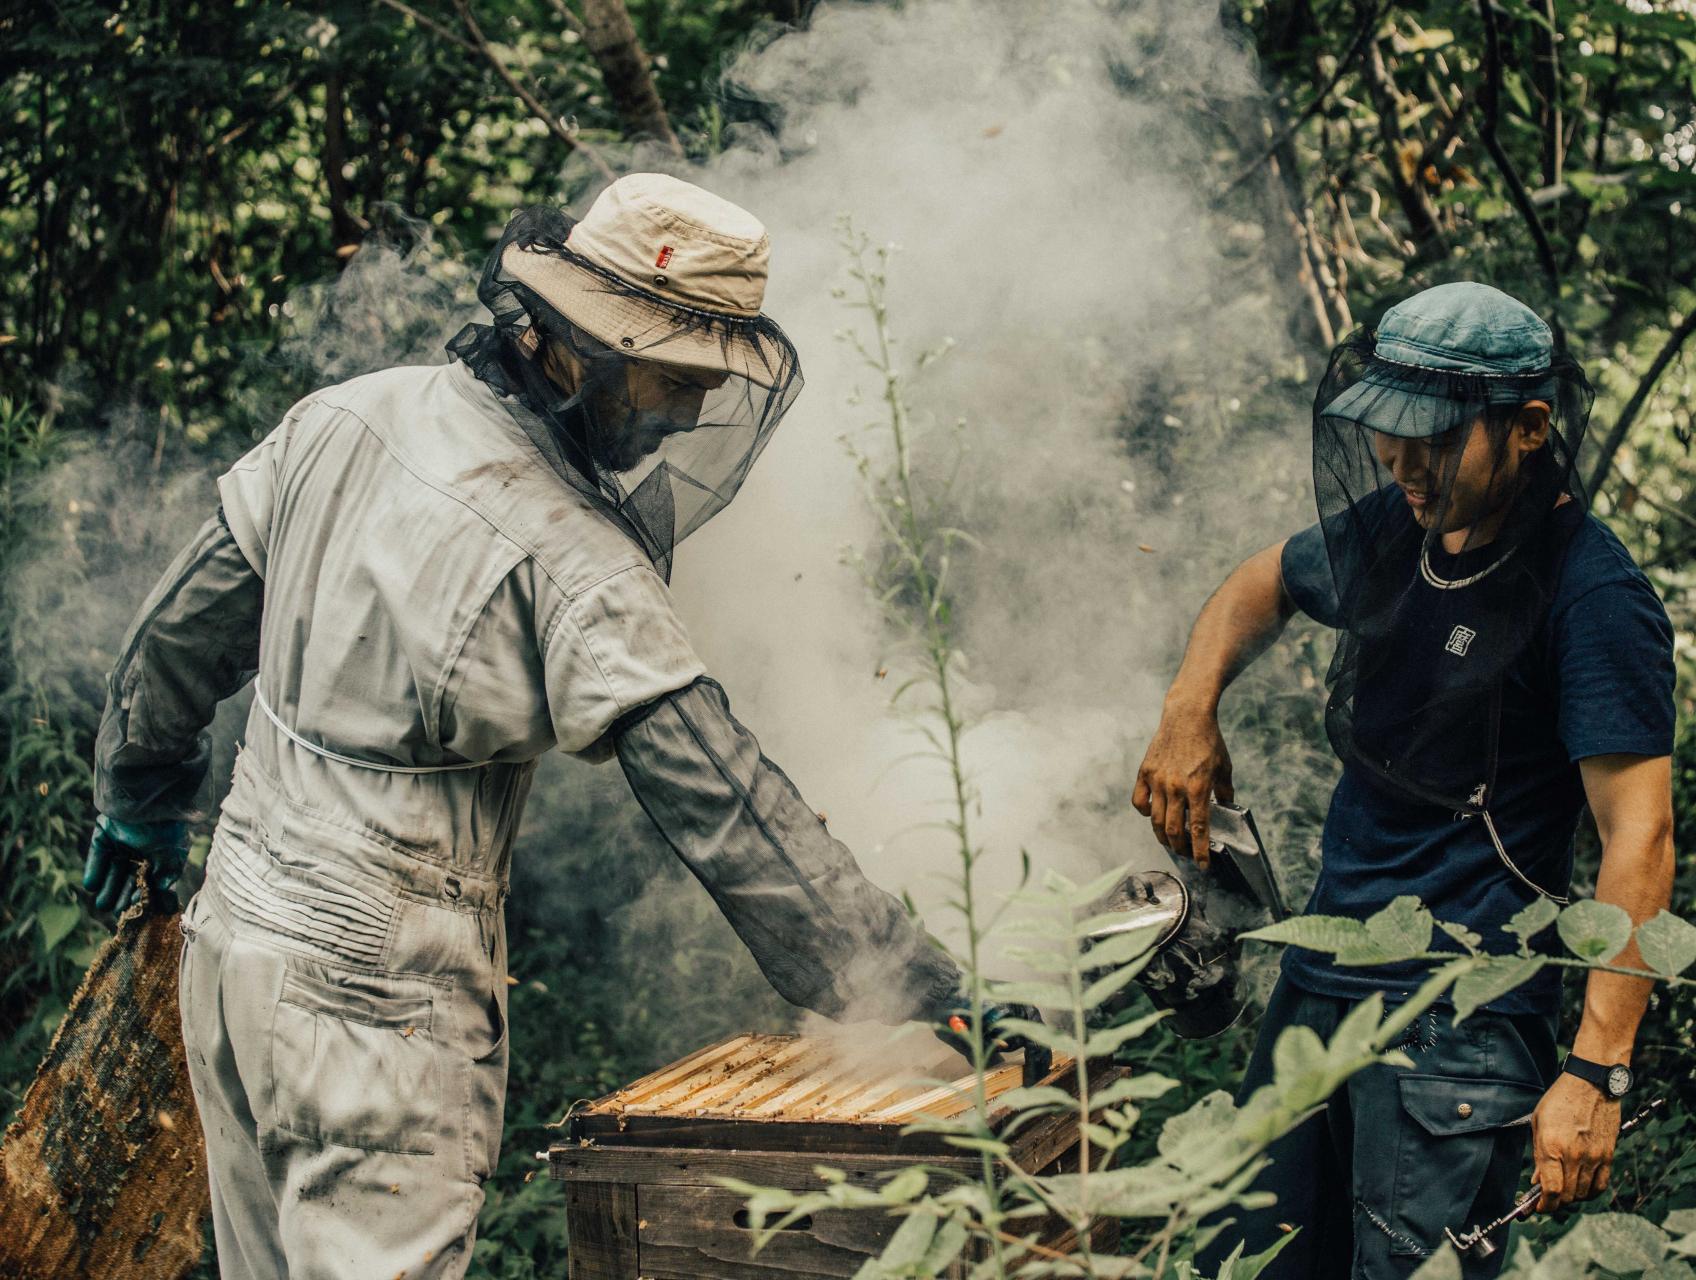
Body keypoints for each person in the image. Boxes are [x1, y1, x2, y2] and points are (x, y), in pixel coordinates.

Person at [83, 173, 1014, 1279]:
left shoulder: (351, 413)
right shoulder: (573, 555)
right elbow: (728, 807)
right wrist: (925, 990)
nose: (678, 413)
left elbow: (181, 631)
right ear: (568, 339)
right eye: (663, 377)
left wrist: (137, 796)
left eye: (701, 385)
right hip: (377, 996)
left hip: (237, 943)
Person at [1134, 283, 1676, 1278]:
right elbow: (1259, 582)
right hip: (1318, 987)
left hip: (1455, 1033)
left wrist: (1596, 1069)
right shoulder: (1397, 530)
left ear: (1528, 427)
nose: (1398, 458)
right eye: (1387, 430)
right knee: (1246, 1263)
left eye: (1431, 436)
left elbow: (1639, 838)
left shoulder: (1595, 595)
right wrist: (1188, 706)